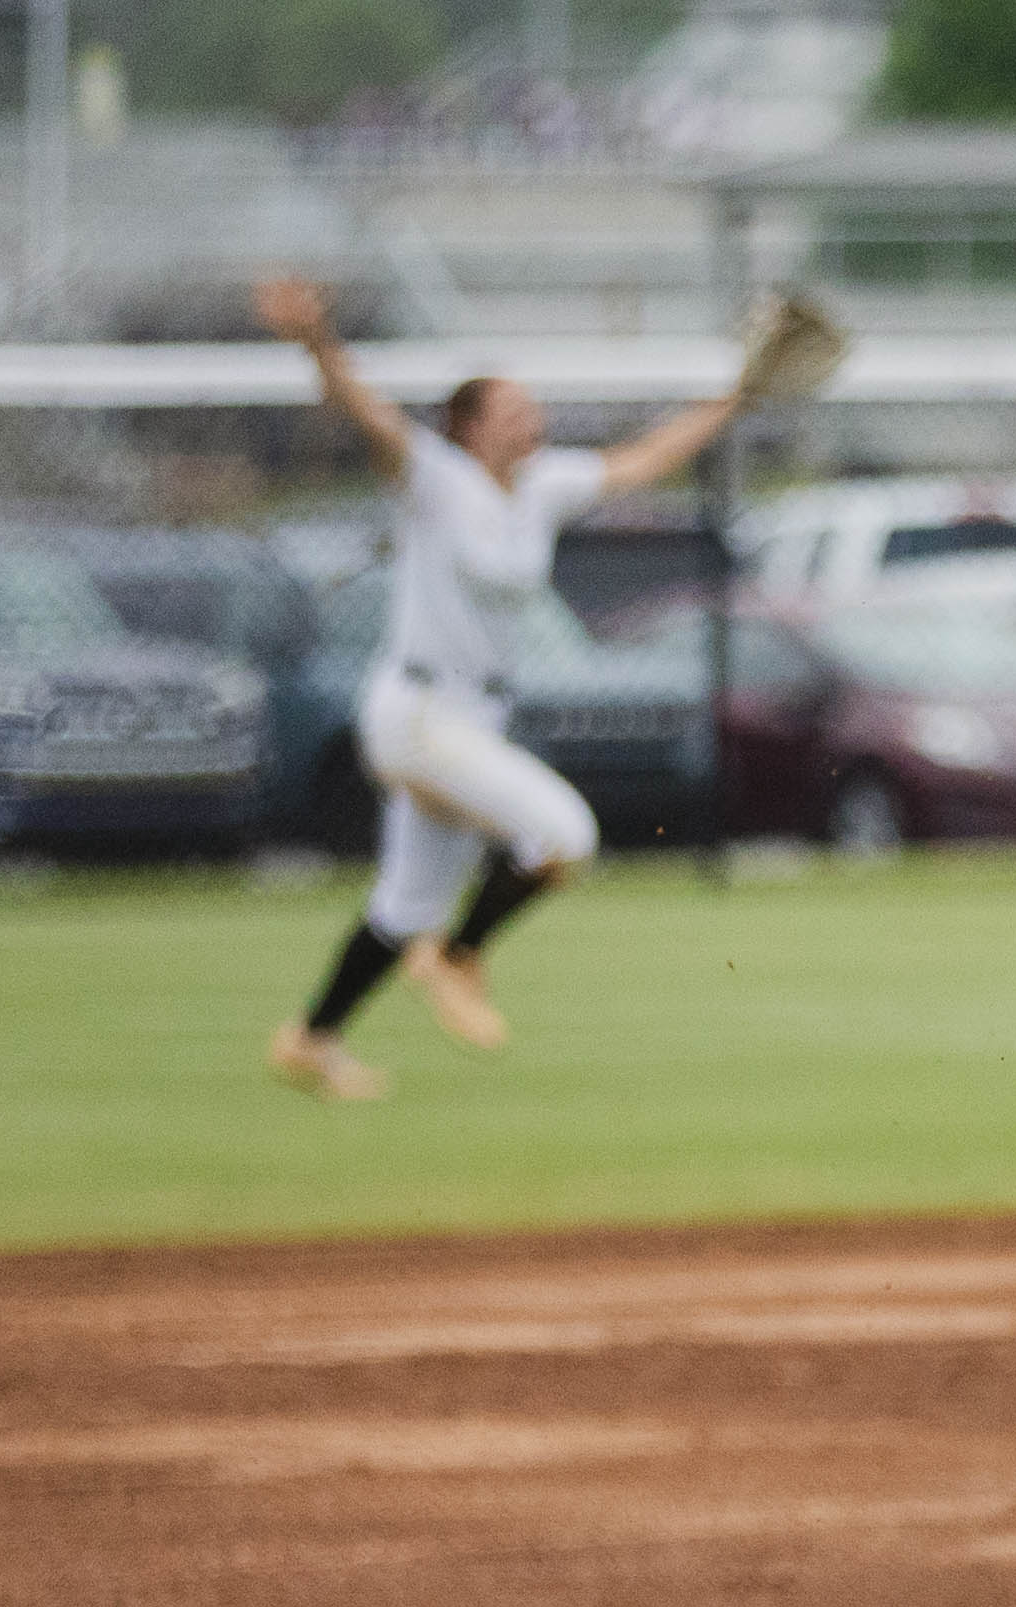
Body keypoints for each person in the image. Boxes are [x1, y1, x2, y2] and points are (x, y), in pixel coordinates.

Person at [256, 277, 738, 1102]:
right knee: (562, 836)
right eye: (510, 409)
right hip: (416, 714)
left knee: (404, 906)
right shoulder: (437, 479)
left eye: (531, 406)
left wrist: (741, 393)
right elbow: (368, 416)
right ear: (468, 426)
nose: (531, 418)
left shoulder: (542, 485)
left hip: (471, 714)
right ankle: (459, 954)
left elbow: (647, 460)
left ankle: (311, 1038)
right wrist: (316, 345)